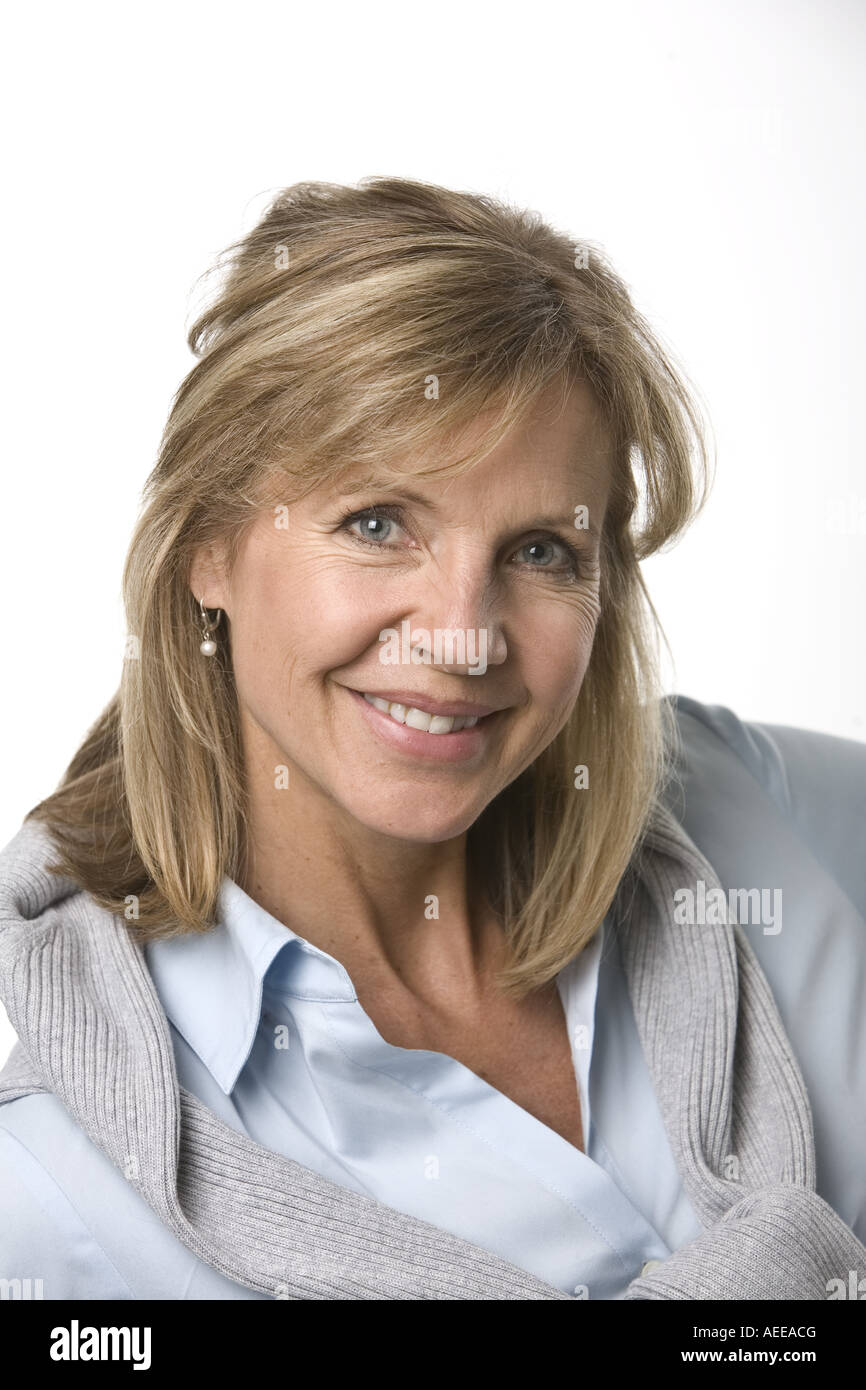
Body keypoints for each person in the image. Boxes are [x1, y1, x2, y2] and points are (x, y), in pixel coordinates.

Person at [0, 178, 863, 1301]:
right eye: (375, 523)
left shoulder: (753, 804)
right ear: (208, 548)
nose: (462, 638)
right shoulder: (54, 1205)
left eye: (541, 551)